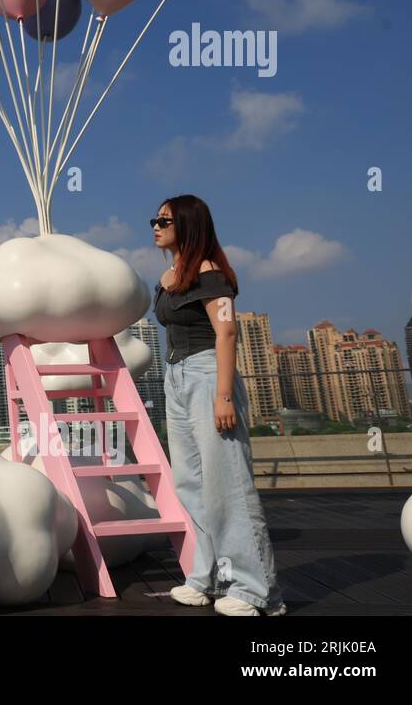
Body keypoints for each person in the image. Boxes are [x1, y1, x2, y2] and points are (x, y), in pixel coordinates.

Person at [151, 194, 286, 616]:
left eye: (164, 220)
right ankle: (206, 577)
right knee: (190, 484)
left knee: (226, 483)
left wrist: (224, 395)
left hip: (209, 375)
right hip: (176, 377)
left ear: (188, 225)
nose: (155, 226)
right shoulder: (169, 274)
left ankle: (257, 591)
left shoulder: (210, 273)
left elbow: (226, 334)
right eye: (154, 219)